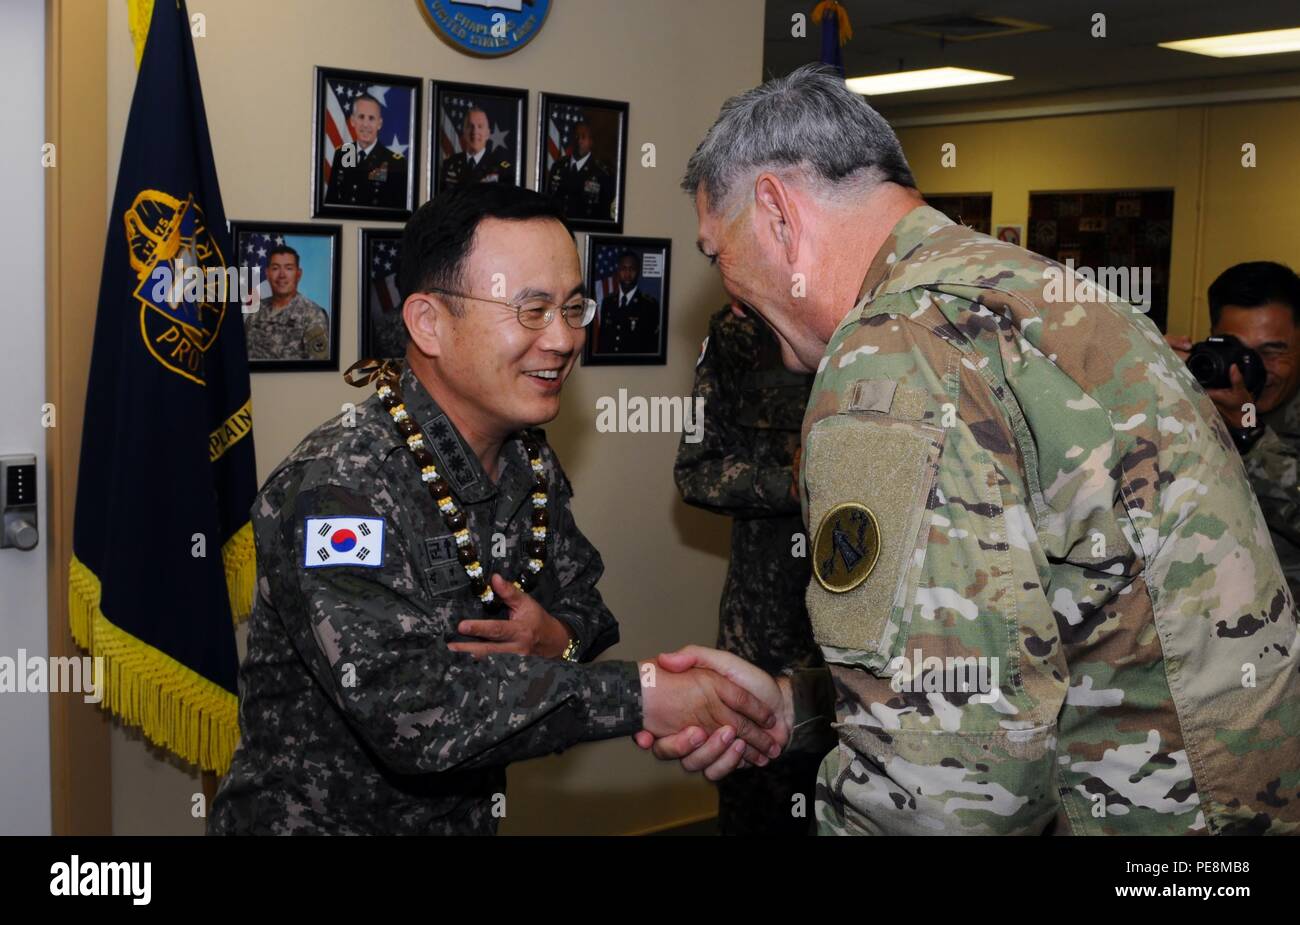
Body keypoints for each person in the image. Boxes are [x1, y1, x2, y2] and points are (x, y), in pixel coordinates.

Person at [640, 64, 1300, 836]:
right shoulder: (1046, 295)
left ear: (779, 213)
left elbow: (947, 793)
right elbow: (1044, 636)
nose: (728, 289)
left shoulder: (893, 351)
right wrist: (801, 703)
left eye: (718, 252)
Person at [209, 184, 785, 835]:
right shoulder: (336, 486)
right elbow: (409, 708)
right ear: (429, 322)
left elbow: (586, 604)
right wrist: (645, 695)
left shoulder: (526, 461)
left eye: (573, 307)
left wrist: (558, 640)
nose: (565, 338)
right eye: (532, 309)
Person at [674, 303, 822, 835]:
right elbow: (696, 472)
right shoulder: (738, 330)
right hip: (770, 633)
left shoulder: (904, 325)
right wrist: (796, 482)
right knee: (759, 811)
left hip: (888, 640)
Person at [1166, 262, 1300, 600]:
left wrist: (1249, 432)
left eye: (1272, 351)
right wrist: (1152, 382)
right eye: (1236, 348)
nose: (1252, 368)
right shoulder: (1197, 388)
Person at [244, 244, 329, 361]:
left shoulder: (313, 315)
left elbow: (318, 369)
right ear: (267, 274)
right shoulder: (255, 311)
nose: (282, 275)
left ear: (298, 274)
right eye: (275, 268)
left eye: (288, 268)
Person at [325, 94, 407, 209]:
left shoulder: (395, 162)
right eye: (361, 117)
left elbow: (397, 209)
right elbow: (331, 202)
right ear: (353, 121)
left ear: (379, 124)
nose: (365, 124)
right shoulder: (343, 154)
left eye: (371, 118)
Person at [546, 119, 613, 222]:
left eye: (583, 137)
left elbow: (604, 214)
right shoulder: (558, 167)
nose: (579, 141)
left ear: (591, 141)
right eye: (576, 136)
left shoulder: (601, 173)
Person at [596, 252, 659, 354]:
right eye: (623, 269)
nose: (627, 274)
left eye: (632, 269)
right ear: (618, 271)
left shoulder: (649, 305)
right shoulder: (608, 302)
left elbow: (651, 346)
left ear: (638, 272)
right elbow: (602, 342)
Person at [440, 107, 514, 188]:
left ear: (488, 133)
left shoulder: (502, 168)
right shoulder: (448, 164)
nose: (475, 131)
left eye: (480, 126)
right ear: (464, 132)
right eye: (470, 126)